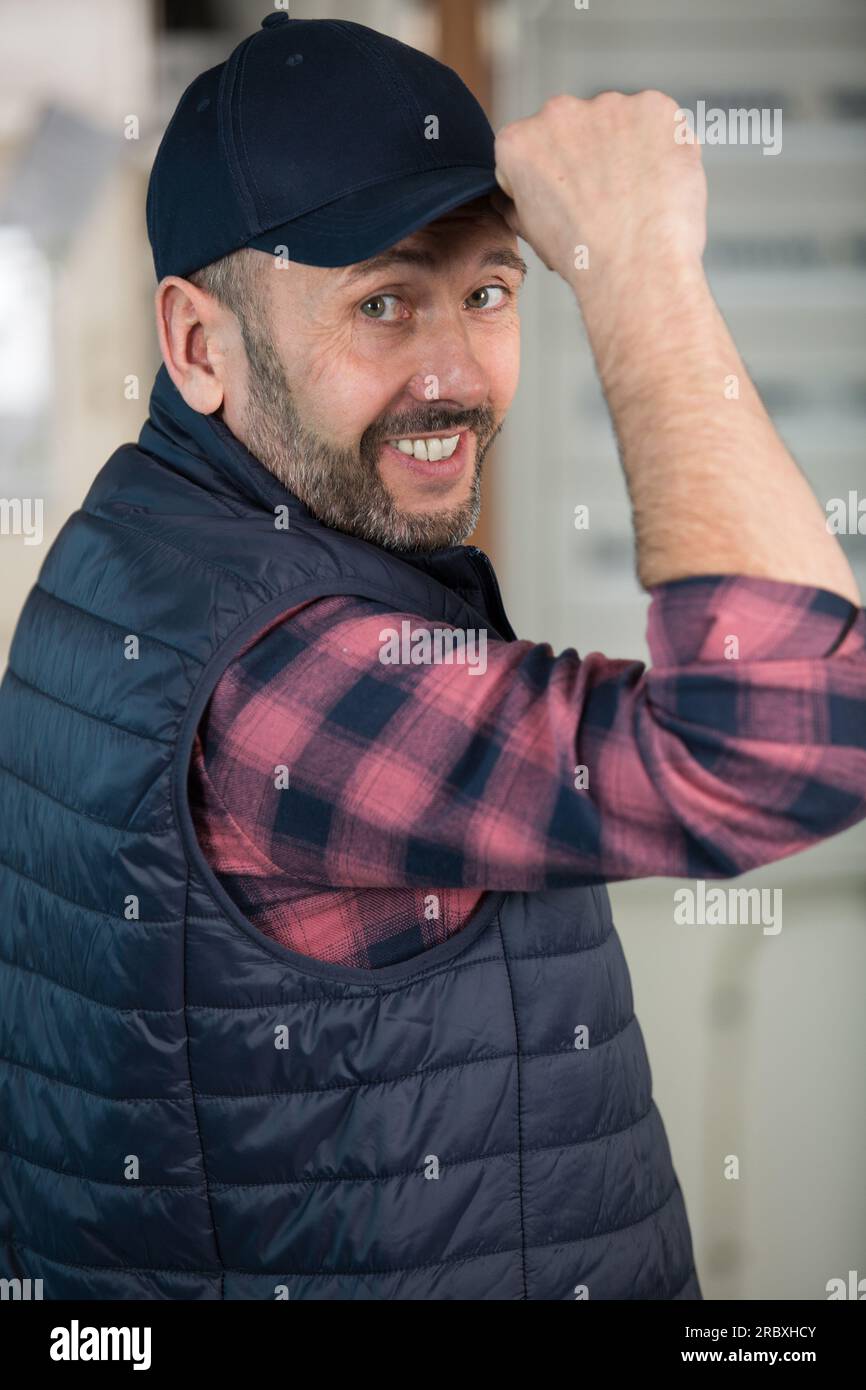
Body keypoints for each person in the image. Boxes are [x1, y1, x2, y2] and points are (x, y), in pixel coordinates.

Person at [0, 13, 863, 1302]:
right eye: (384, 302)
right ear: (197, 346)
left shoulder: (138, 551)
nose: (456, 373)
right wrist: (641, 268)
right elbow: (788, 734)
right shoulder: (287, 671)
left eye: (492, 290)